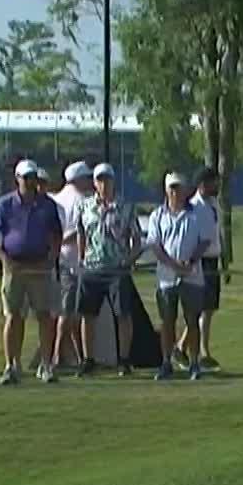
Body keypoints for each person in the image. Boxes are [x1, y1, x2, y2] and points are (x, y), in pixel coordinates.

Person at [0, 159, 65, 386]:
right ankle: (12, 366)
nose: (30, 182)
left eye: (33, 178)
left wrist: (51, 258)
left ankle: (46, 365)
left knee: (44, 316)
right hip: (14, 267)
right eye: (25, 178)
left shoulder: (46, 205)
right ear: (17, 179)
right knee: (13, 315)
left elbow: (56, 235)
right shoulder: (5, 205)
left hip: (39, 266)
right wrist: (4, 258)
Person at [145, 172, 217, 381]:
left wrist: (191, 261)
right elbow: (154, 245)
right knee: (167, 322)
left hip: (192, 276)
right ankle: (166, 362)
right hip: (166, 278)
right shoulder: (157, 215)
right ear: (166, 191)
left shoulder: (197, 215)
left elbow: (205, 241)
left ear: (186, 191)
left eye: (179, 188)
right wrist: (172, 264)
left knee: (192, 321)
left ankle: (194, 363)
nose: (176, 192)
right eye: (172, 188)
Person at [71, 163, 141, 376]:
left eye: (107, 180)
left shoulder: (126, 207)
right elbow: (80, 234)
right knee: (87, 315)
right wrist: (81, 259)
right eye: (100, 180)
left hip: (117, 269)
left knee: (123, 315)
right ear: (94, 183)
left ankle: (124, 360)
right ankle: (88, 359)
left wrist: (128, 259)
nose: (104, 184)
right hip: (92, 267)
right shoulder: (84, 206)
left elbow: (136, 239)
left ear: (113, 182)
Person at [51, 161, 94, 370]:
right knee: (69, 312)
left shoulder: (56, 200)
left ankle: (77, 356)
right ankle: (58, 356)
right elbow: (77, 231)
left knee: (72, 311)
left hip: (61, 260)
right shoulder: (81, 202)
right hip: (76, 261)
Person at [185, 168, 225, 371]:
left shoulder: (213, 204)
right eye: (212, 182)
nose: (216, 186)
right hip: (202, 261)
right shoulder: (194, 207)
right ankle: (192, 348)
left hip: (214, 259)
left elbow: (217, 233)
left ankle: (200, 350)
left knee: (208, 308)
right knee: (199, 308)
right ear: (202, 184)